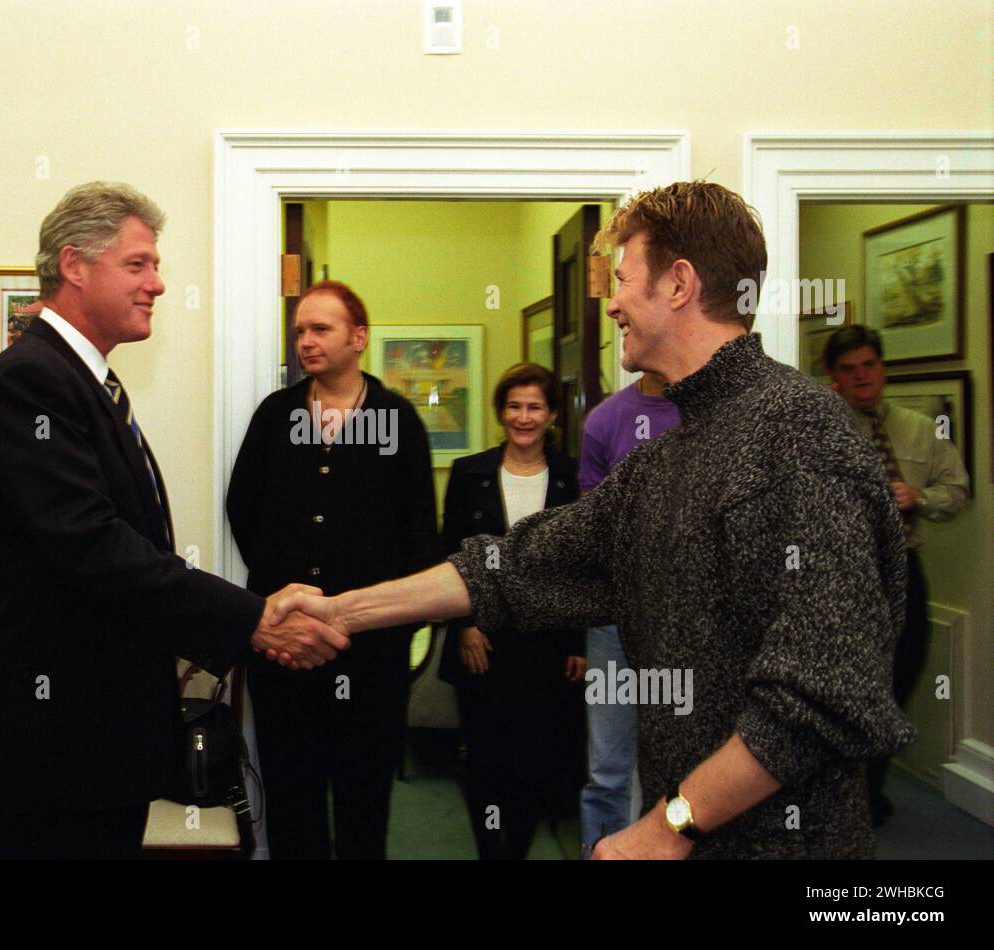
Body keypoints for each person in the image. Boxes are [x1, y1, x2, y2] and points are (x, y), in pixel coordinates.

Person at [267, 181, 917, 859]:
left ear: (679, 284)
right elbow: (516, 565)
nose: (609, 304)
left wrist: (669, 829)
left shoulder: (800, 434)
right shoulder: (668, 457)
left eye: (624, 280)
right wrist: (342, 612)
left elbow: (822, 696)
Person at [0, 181, 346, 859]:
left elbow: (126, 547)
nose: (159, 284)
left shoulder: (89, 385)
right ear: (75, 266)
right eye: (139, 265)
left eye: (156, 266)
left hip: (93, 743)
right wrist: (250, 617)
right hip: (51, 750)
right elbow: (92, 547)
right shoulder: (31, 382)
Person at [226, 280, 441, 859]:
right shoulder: (276, 417)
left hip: (369, 656)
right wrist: (279, 592)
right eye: (299, 330)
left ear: (359, 337)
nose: (306, 341)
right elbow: (241, 507)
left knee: (363, 802)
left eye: (321, 329)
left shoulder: (396, 421)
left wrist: (377, 617)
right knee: (292, 801)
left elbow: (422, 537)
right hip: (285, 651)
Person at [438, 362, 587, 860]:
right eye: (514, 406)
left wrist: (578, 644)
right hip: (482, 641)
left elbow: (585, 567)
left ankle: (516, 852)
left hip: (546, 645)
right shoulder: (470, 473)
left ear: (551, 416)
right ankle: (489, 851)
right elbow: (449, 558)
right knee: (484, 759)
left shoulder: (573, 477)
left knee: (533, 762)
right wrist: (464, 627)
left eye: (534, 407)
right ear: (501, 412)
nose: (523, 417)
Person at [823, 324, 970, 825]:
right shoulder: (820, 429)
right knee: (840, 684)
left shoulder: (920, 428)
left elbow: (959, 492)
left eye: (869, 365)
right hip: (840, 572)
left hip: (903, 569)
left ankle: (870, 787)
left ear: (882, 368)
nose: (861, 377)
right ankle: (839, 790)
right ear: (834, 378)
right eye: (849, 370)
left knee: (898, 680)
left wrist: (919, 497)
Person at [576, 369, 679, 856]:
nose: (617, 309)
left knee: (688, 766)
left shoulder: (718, 413)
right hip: (614, 620)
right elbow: (590, 529)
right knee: (608, 769)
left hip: (691, 624)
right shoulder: (605, 420)